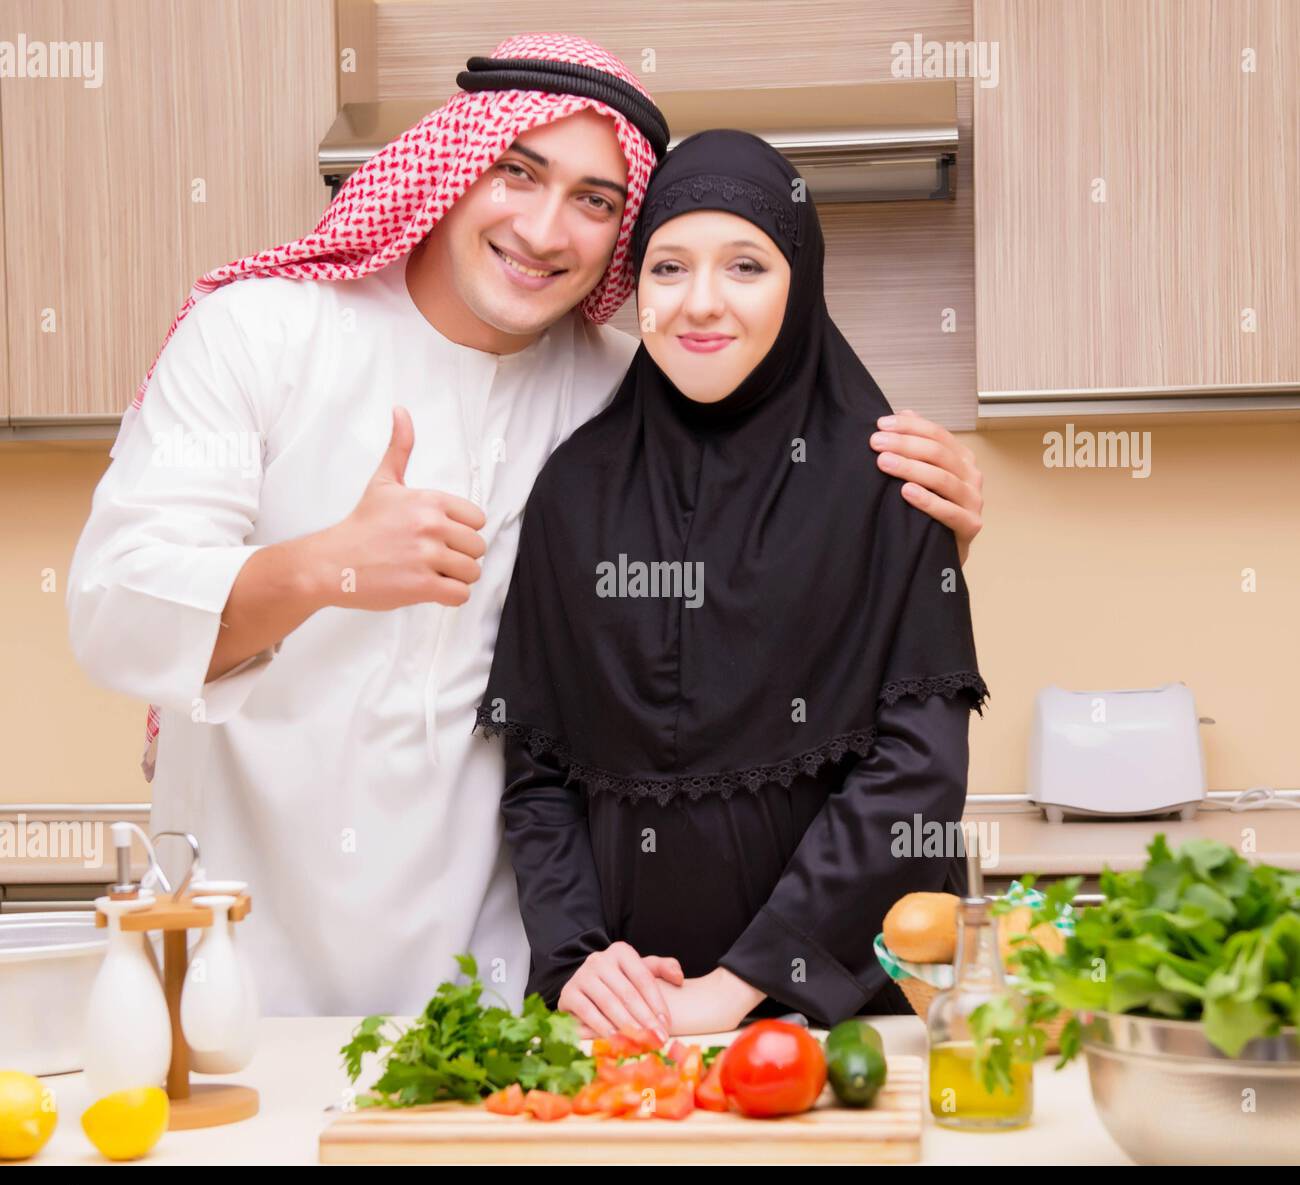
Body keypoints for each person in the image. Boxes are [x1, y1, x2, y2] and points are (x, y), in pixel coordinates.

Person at [66, 35, 984, 1017]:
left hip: (498, 983)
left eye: (594, 201)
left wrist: (917, 549)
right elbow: (114, 612)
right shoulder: (261, 334)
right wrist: (325, 567)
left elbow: (755, 622)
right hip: (252, 959)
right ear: (454, 165)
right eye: (518, 171)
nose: (546, 229)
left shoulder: (616, 392)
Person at [477, 130, 990, 1040]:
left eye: (745, 265)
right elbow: (538, 773)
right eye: (668, 268)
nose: (700, 304)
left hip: (844, 1024)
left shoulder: (894, 481)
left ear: (801, 283)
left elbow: (917, 773)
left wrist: (742, 984)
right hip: (623, 1027)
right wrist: (577, 960)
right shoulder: (572, 490)